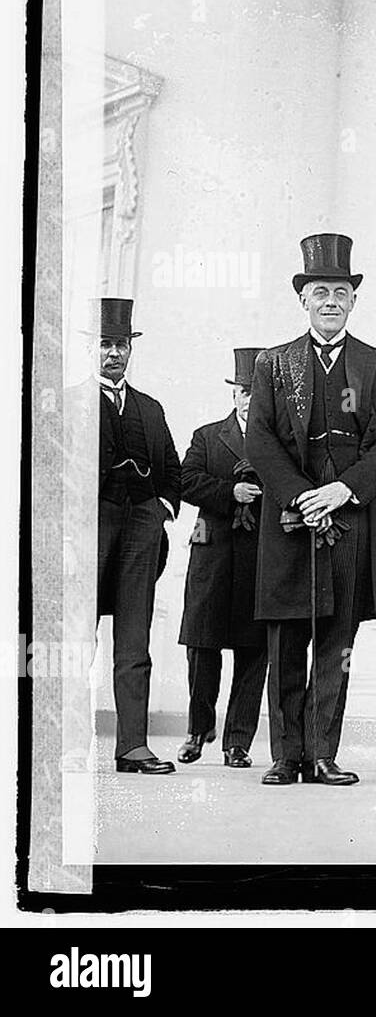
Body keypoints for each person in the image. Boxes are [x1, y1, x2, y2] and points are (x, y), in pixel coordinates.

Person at [246, 233, 376, 786]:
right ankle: (287, 755)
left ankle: (321, 754)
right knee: (287, 641)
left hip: (352, 521)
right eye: (321, 291)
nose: (331, 301)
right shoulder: (273, 364)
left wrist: (343, 491)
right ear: (304, 298)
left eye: (341, 291)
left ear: (353, 300)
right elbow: (260, 442)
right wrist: (300, 496)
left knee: (337, 642)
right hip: (289, 522)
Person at [86, 298, 183, 775]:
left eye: (120, 344)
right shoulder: (67, 402)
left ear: (130, 350)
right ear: (89, 348)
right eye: (104, 344)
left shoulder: (150, 408)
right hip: (88, 533)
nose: (113, 353)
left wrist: (161, 508)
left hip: (141, 532)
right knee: (76, 641)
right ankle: (64, 747)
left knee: (134, 641)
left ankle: (132, 747)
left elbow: (171, 470)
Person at [176, 348, 270, 768]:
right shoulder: (207, 435)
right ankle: (198, 730)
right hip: (213, 553)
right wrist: (229, 493)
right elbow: (186, 480)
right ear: (234, 394)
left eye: (258, 390)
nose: (250, 399)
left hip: (260, 558)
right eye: (244, 391)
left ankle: (238, 743)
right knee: (202, 644)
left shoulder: (280, 442)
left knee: (254, 652)